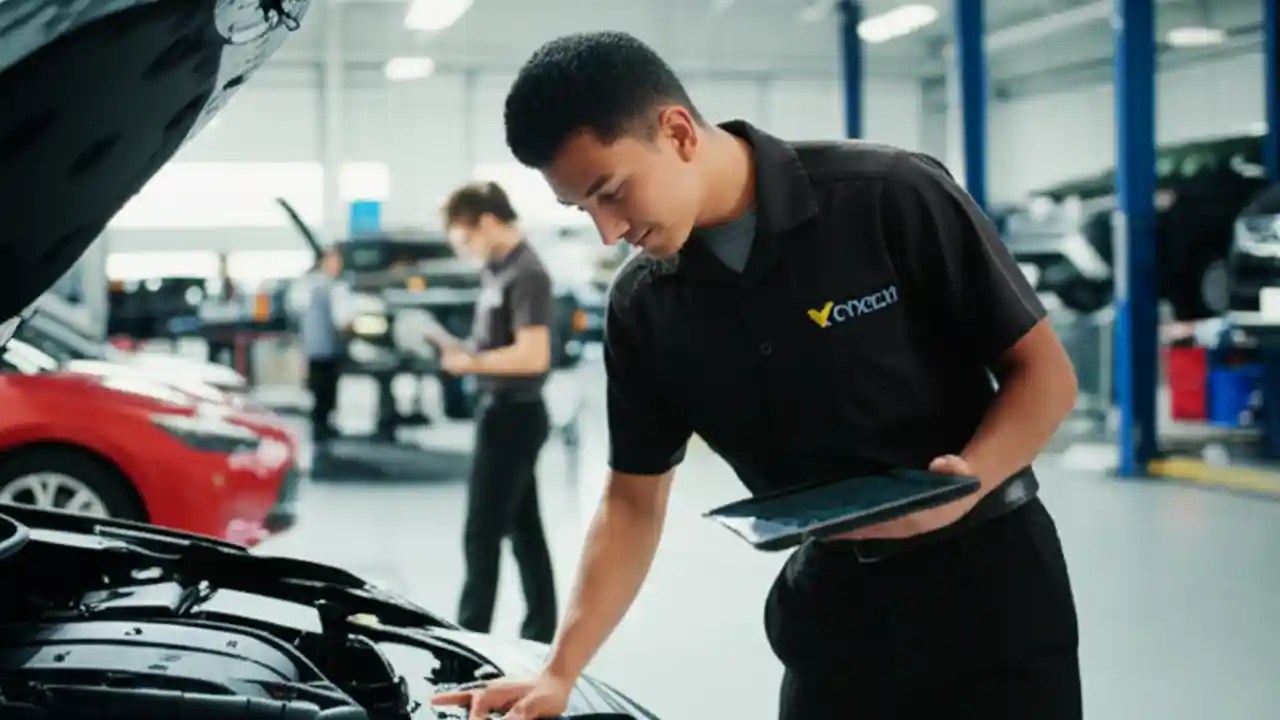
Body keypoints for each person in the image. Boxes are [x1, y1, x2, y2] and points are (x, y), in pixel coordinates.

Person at [432, 31, 1083, 720]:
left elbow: (1044, 373)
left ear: (677, 131)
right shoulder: (643, 308)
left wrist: (966, 480)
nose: (607, 231)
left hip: (992, 600)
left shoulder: (888, 195)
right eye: (582, 209)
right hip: (834, 620)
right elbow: (632, 502)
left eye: (612, 192)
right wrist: (560, 670)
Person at [430, 181, 559, 645]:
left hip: (514, 416)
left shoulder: (528, 273)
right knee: (525, 534)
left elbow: (533, 356)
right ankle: (541, 634)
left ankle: (468, 643)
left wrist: (470, 363)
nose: (466, 252)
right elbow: (500, 347)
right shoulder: (499, 271)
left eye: (465, 241)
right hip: (502, 411)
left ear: (486, 222)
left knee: (481, 534)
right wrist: (466, 353)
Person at [288, 247, 353, 449]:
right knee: (325, 389)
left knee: (321, 390)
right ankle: (322, 426)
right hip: (326, 347)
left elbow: (296, 312)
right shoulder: (335, 287)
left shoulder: (307, 285)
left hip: (315, 346)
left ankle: (321, 426)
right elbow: (343, 320)